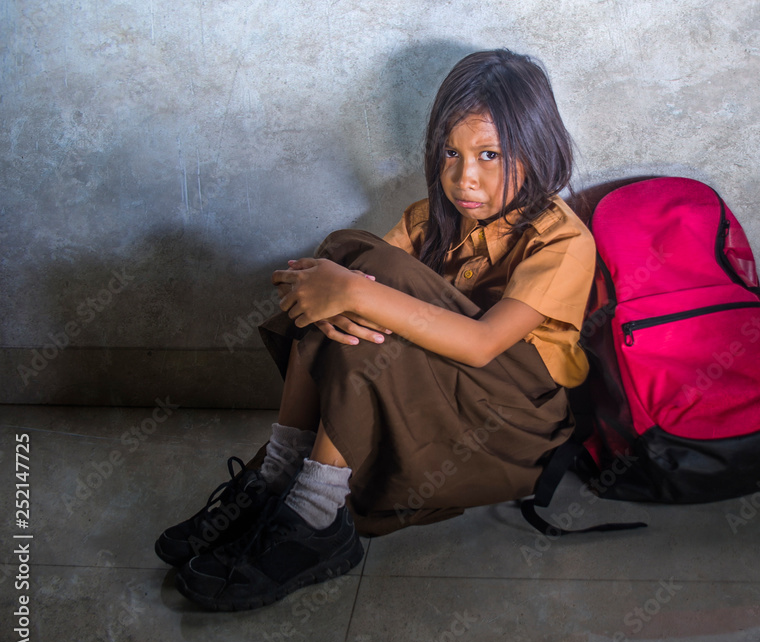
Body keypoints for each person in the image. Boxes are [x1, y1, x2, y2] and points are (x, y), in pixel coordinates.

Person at [155, 48, 596, 611]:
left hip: (512, 431)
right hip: (440, 401)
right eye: (451, 154)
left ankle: (314, 512)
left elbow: (482, 344)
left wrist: (355, 290)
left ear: (537, 151)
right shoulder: (428, 219)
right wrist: (340, 294)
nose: (466, 178)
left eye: (491, 155)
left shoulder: (561, 240)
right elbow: (352, 293)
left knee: (358, 269)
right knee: (350, 271)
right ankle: (280, 480)